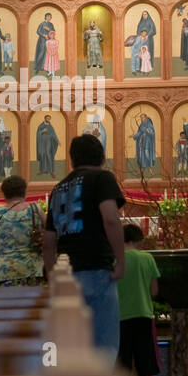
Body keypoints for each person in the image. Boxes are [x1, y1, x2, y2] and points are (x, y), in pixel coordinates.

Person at [44, 132, 125, 355]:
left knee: (70, 346)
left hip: (67, 275)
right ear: (102, 158)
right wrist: (120, 260)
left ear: (71, 160)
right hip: (96, 269)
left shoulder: (58, 188)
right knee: (103, 347)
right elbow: (110, 217)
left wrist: (53, 276)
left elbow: (49, 241)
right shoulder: (102, 178)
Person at [117, 223, 161, 376]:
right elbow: (154, 291)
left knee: (121, 363)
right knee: (147, 362)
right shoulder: (147, 258)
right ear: (139, 240)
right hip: (144, 315)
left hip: (119, 317)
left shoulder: (115, 260)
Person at [0, 175, 44, 285]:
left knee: (8, 302)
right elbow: (50, 236)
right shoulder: (35, 210)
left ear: (4, 193)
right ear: (24, 191)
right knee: (34, 302)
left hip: (5, 271)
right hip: (32, 270)